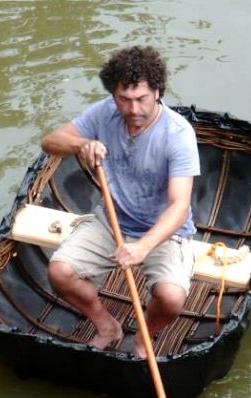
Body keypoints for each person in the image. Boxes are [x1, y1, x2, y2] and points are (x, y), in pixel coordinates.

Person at [41, 46, 200, 358]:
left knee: (171, 299)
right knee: (59, 272)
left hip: (163, 231)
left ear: (158, 92)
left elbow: (179, 206)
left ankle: (143, 337)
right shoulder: (105, 112)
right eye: (124, 99)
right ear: (113, 96)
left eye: (141, 99)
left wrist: (143, 247)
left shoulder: (178, 134)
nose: (133, 109)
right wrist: (81, 144)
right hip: (112, 220)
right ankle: (106, 325)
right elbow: (50, 142)